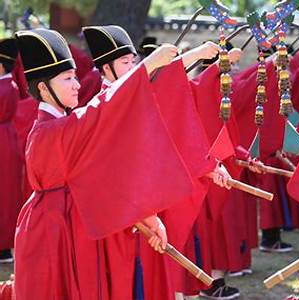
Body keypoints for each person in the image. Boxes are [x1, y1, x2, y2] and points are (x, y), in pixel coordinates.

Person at [14, 27, 194, 300]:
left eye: (75, 77)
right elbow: (102, 108)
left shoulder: (61, 126)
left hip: (73, 220)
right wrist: (147, 67)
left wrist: (146, 217)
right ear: (43, 88)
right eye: (67, 78)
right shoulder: (50, 131)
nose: (77, 85)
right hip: (54, 230)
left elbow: (104, 169)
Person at [0, 37, 23, 264]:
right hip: (7, 139)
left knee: (4, 195)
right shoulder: (9, 85)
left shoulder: (5, 86)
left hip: (2, 142)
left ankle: (3, 245)